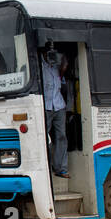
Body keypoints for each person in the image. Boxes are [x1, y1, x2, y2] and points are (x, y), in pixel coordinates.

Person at [41, 46, 69, 178]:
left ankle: (60, 168)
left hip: (58, 106)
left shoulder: (55, 67)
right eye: (50, 54)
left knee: (61, 137)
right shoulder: (40, 67)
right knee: (44, 137)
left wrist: (63, 66)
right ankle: (44, 167)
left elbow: (61, 83)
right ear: (44, 54)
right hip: (45, 106)